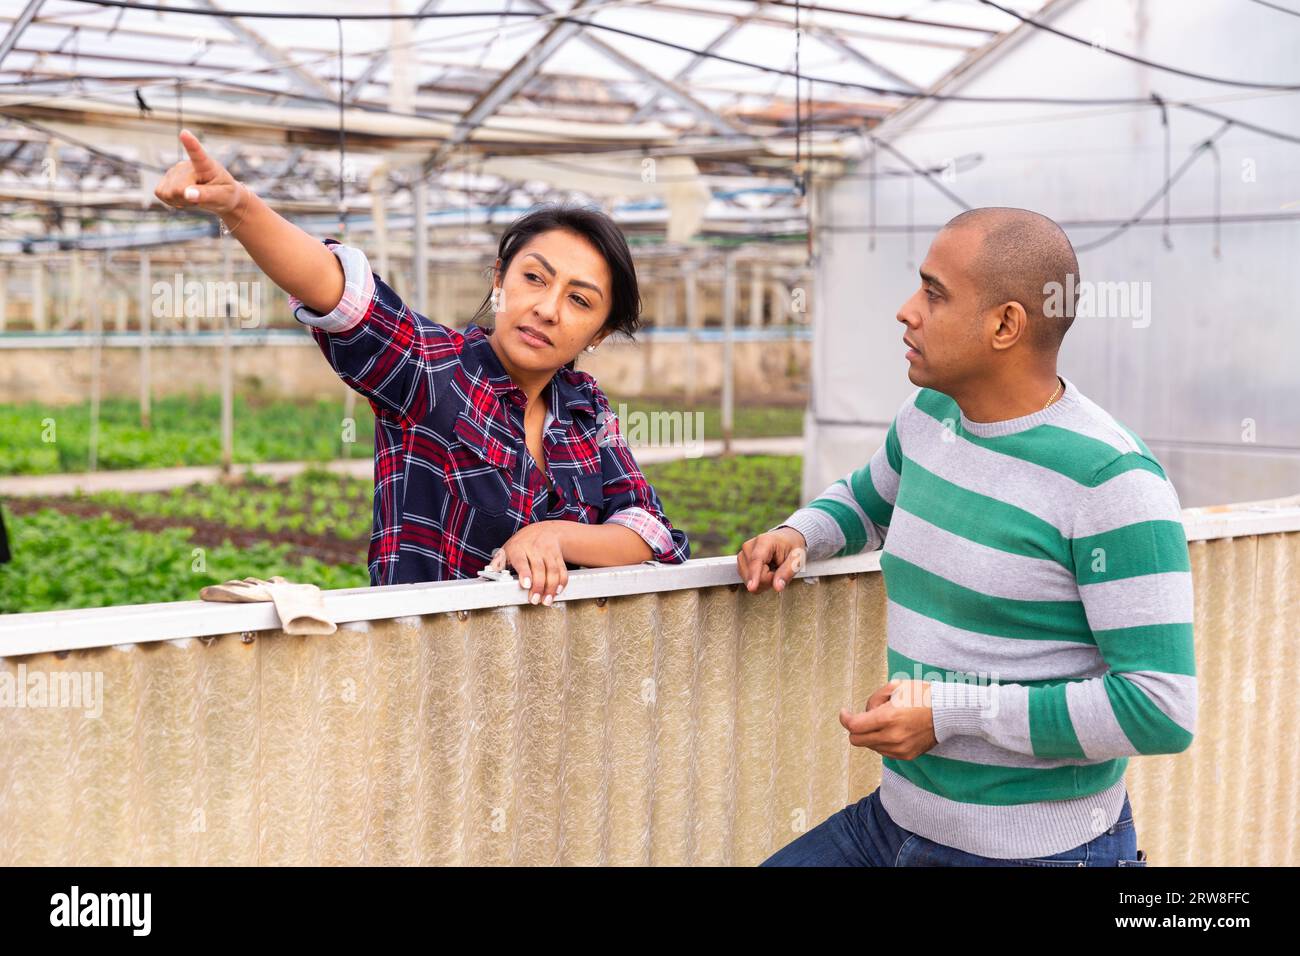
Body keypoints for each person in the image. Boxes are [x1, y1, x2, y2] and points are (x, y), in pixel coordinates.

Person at [737, 207, 1194, 866]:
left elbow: (1160, 709)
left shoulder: (1112, 482)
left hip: (1038, 854)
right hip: (893, 824)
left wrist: (948, 714)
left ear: (1005, 324)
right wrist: (800, 533)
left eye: (933, 292)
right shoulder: (929, 417)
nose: (906, 310)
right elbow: (869, 502)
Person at [155, 130, 689, 605]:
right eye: (534, 278)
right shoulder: (436, 371)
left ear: (597, 333)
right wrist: (240, 207)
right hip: (423, 677)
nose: (548, 308)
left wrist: (554, 535)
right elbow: (346, 297)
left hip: (546, 686)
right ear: (499, 280)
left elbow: (648, 528)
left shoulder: (583, 408)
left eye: (579, 300)